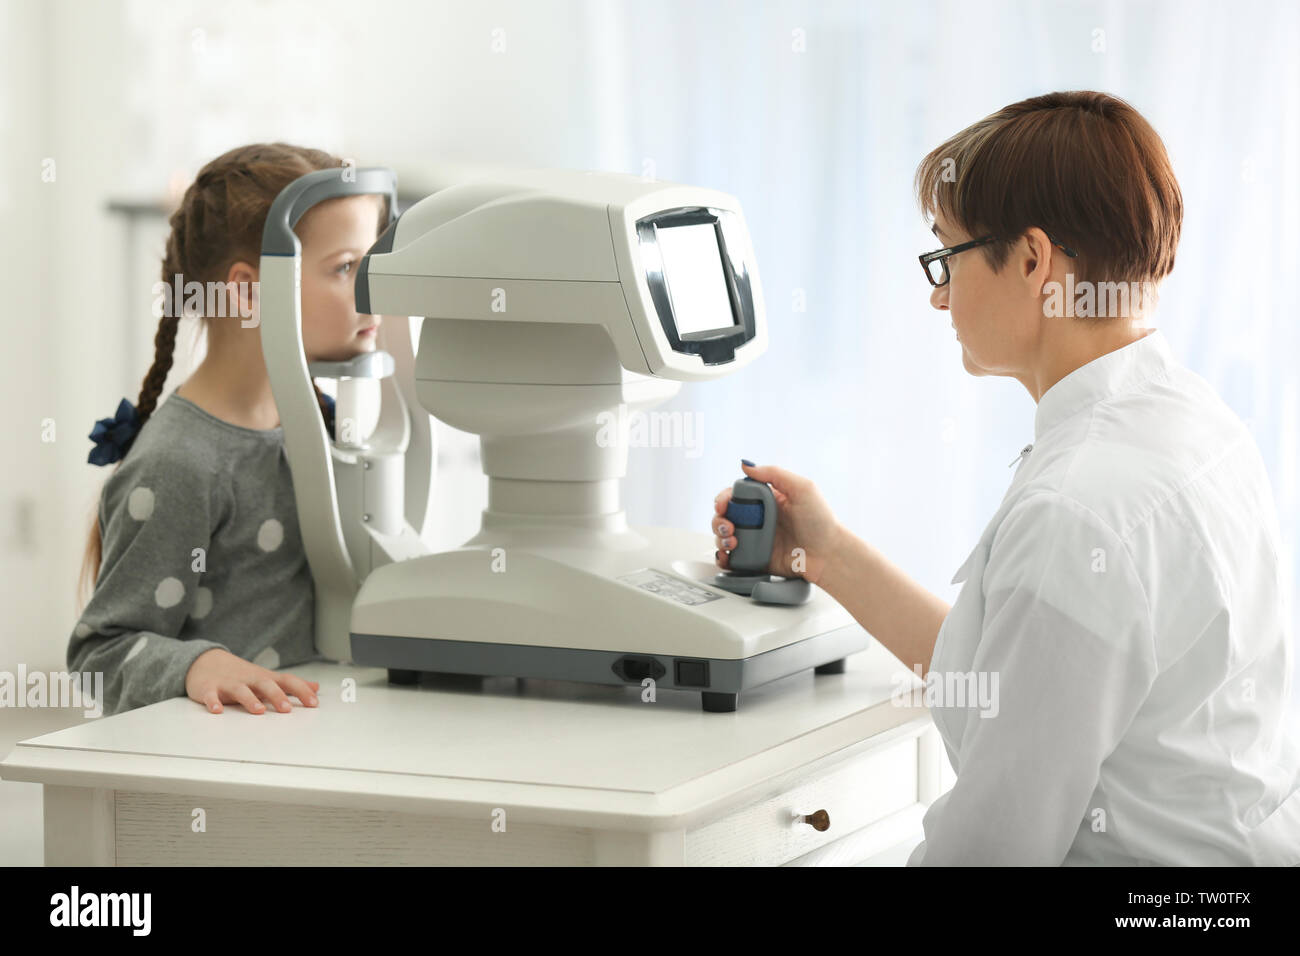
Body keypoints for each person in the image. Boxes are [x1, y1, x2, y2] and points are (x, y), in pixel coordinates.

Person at [713, 91, 1300, 865]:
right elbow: (1009, 679)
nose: (937, 293)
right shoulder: (1197, 425)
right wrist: (823, 554)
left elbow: (992, 847)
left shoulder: (1077, 511)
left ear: (1031, 260)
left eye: (946, 256)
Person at [72, 142, 389, 717]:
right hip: (219, 770)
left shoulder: (319, 422)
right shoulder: (180, 463)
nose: (372, 290)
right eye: (346, 268)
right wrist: (198, 665)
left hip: (312, 739)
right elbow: (100, 657)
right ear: (249, 293)